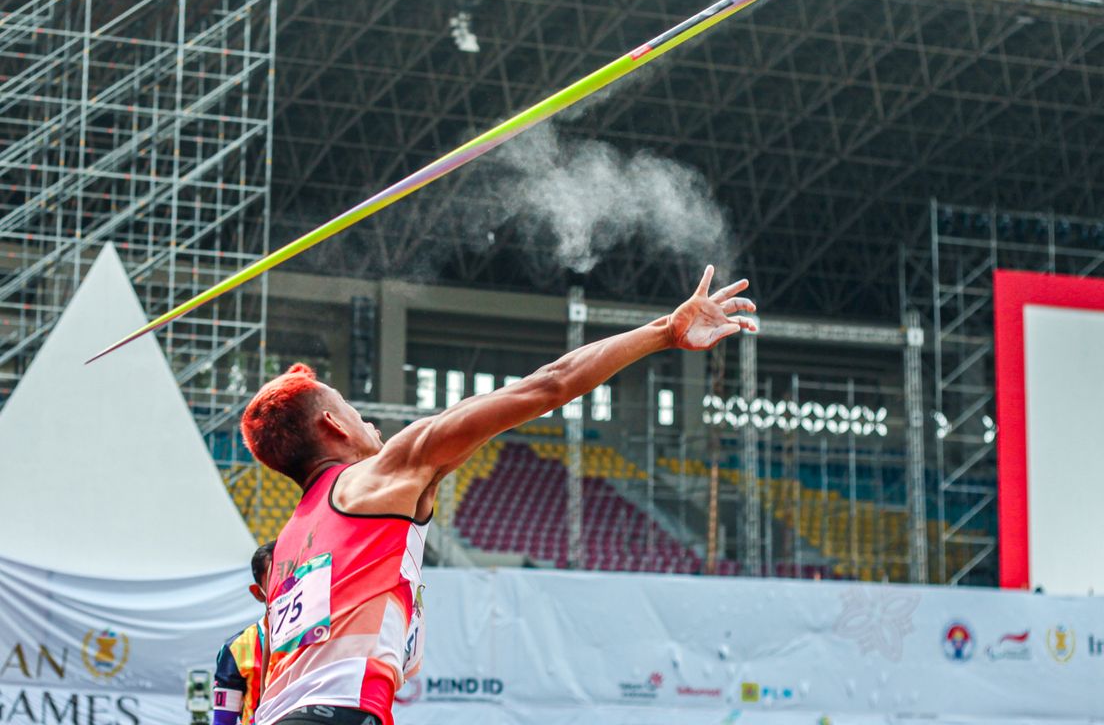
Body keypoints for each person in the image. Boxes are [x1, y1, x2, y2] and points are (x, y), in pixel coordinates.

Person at [241, 266, 756, 725]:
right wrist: (665, 331)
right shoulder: (381, 475)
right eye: (350, 406)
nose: (365, 417)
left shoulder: (288, 545)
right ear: (332, 424)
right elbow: (547, 387)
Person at [212, 540, 276, 725]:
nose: (286, 584)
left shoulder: (320, 635)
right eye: (276, 578)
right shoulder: (237, 648)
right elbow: (223, 722)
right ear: (258, 592)